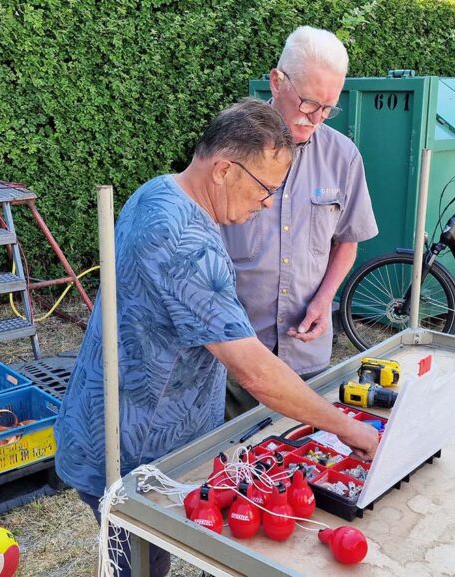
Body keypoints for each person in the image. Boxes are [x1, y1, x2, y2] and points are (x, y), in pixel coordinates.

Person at [55, 99, 380, 577]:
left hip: (128, 428)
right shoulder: (183, 238)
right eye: (266, 188)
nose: (268, 202)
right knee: (140, 564)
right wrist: (347, 427)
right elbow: (252, 370)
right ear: (224, 169)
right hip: (131, 452)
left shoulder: (158, 191)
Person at [223, 26, 379, 419]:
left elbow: (347, 240)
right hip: (233, 356)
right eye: (309, 103)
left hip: (306, 357)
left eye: (329, 108)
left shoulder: (344, 157)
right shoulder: (229, 147)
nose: (316, 119)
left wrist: (324, 300)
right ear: (277, 82)